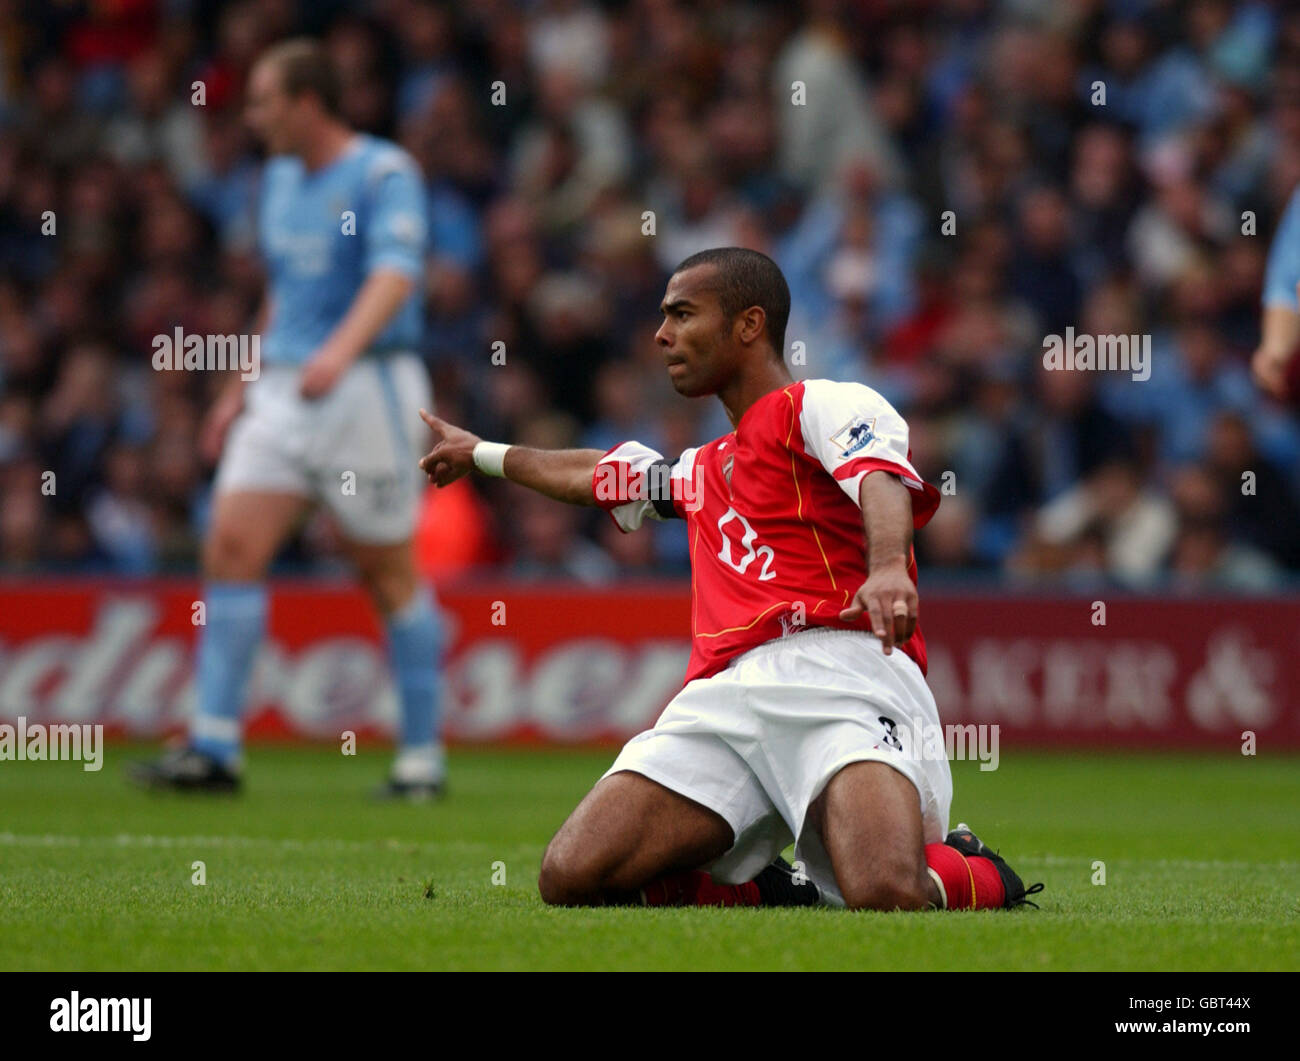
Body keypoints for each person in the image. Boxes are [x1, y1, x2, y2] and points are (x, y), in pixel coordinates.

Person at [418, 247, 1041, 910]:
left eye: (682, 314)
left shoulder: (824, 405)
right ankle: (764, 887)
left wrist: (889, 566)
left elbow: (879, 479)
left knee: (885, 889)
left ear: (748, 325)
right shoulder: (699, 469)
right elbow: (592, 474)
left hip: (843, 676)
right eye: (662, 317)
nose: (662, 334)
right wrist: (481, 453)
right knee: (572, 874)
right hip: (723, 697)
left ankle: (977, 869)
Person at [130, 40, 446, 798]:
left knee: (387, 569)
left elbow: (396, 275)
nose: (254, 114)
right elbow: (285, 291)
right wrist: (241, 385)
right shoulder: (274, 179)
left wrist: (339, 353)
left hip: (365, 386)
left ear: (309, 102)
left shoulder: (382, 172)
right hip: (285, 387)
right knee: (231, 542)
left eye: (266, 99)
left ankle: (421, 759)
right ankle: (214, 746)